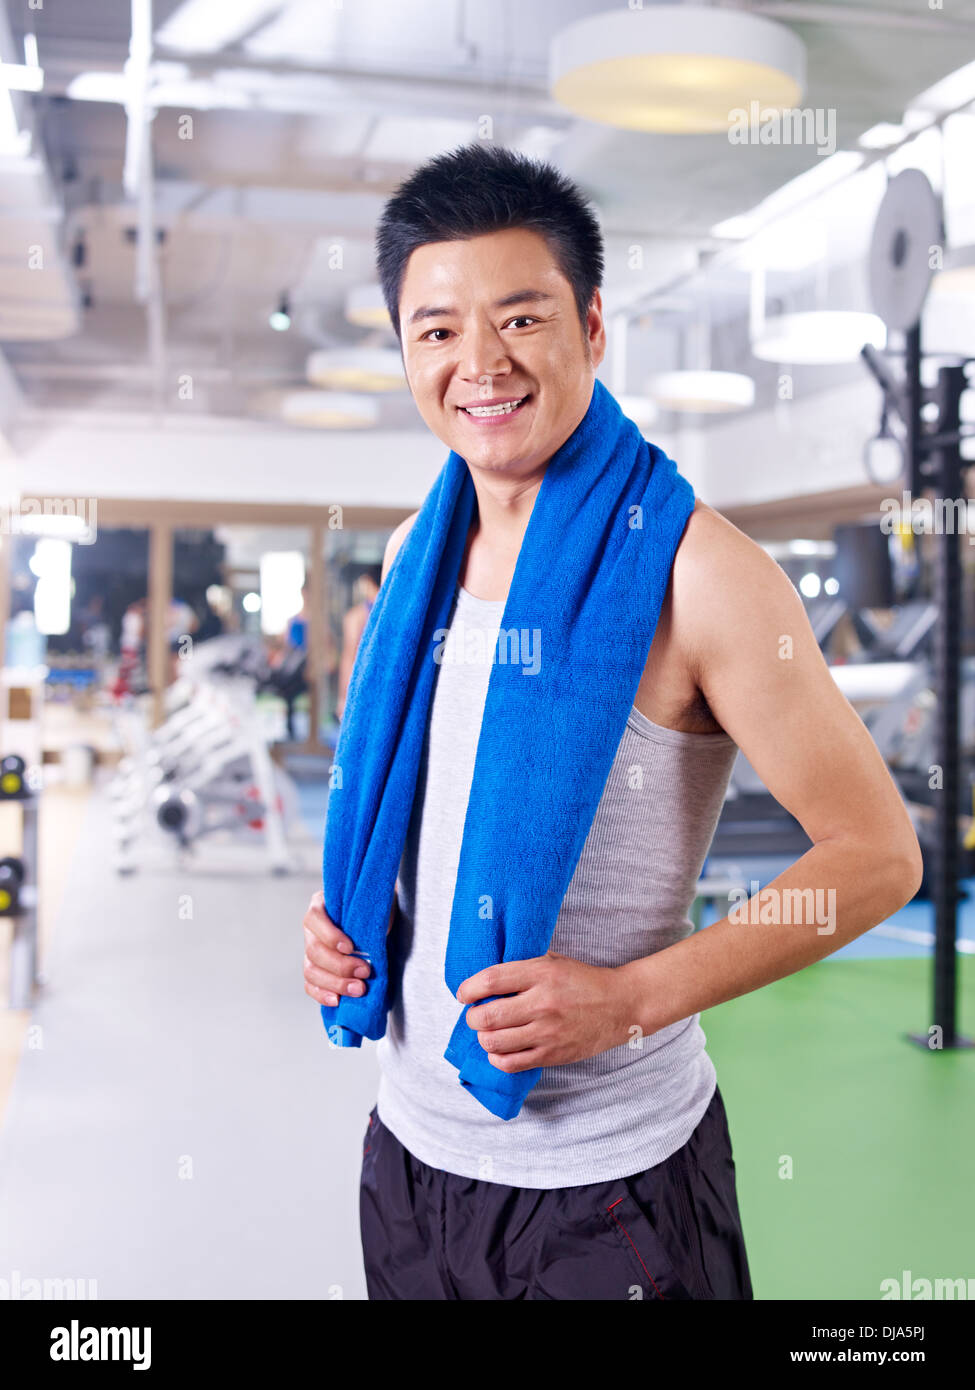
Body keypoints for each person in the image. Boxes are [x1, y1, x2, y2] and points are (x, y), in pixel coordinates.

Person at [301, 143, 923, 1301]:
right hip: (411, 1155)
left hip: (609, 1193)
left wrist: (634, 999)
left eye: (519, 318)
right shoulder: (410, 560)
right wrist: (351, 926)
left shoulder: (701, 574)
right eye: (437, 330)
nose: (480, 364)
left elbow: (879, 857)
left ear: (593, 326)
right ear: (404, 351)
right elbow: (418, 824)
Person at [334, 566, 381, 722]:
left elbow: (349, 656)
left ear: (367, 582)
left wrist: (343, 697)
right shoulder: (396, 610)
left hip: (364, 681)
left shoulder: (356, 617)